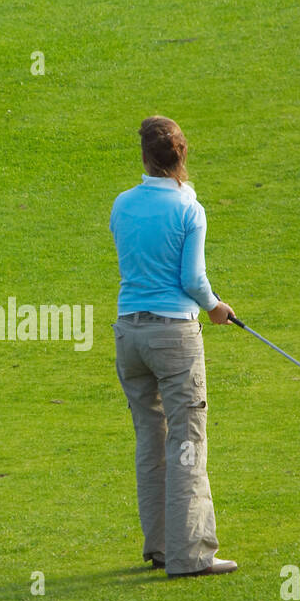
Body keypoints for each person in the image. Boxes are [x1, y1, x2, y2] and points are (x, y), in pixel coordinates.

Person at [110, 116, 238, 577]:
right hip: (173, 336)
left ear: (144, 157)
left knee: (151, 438)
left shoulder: (121, 204)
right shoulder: (189, 208)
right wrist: (215, 307)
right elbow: (191, 279)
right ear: (182, 156)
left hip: (129, 334)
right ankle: (192, 556)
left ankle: (162, 546)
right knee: (187, 442)